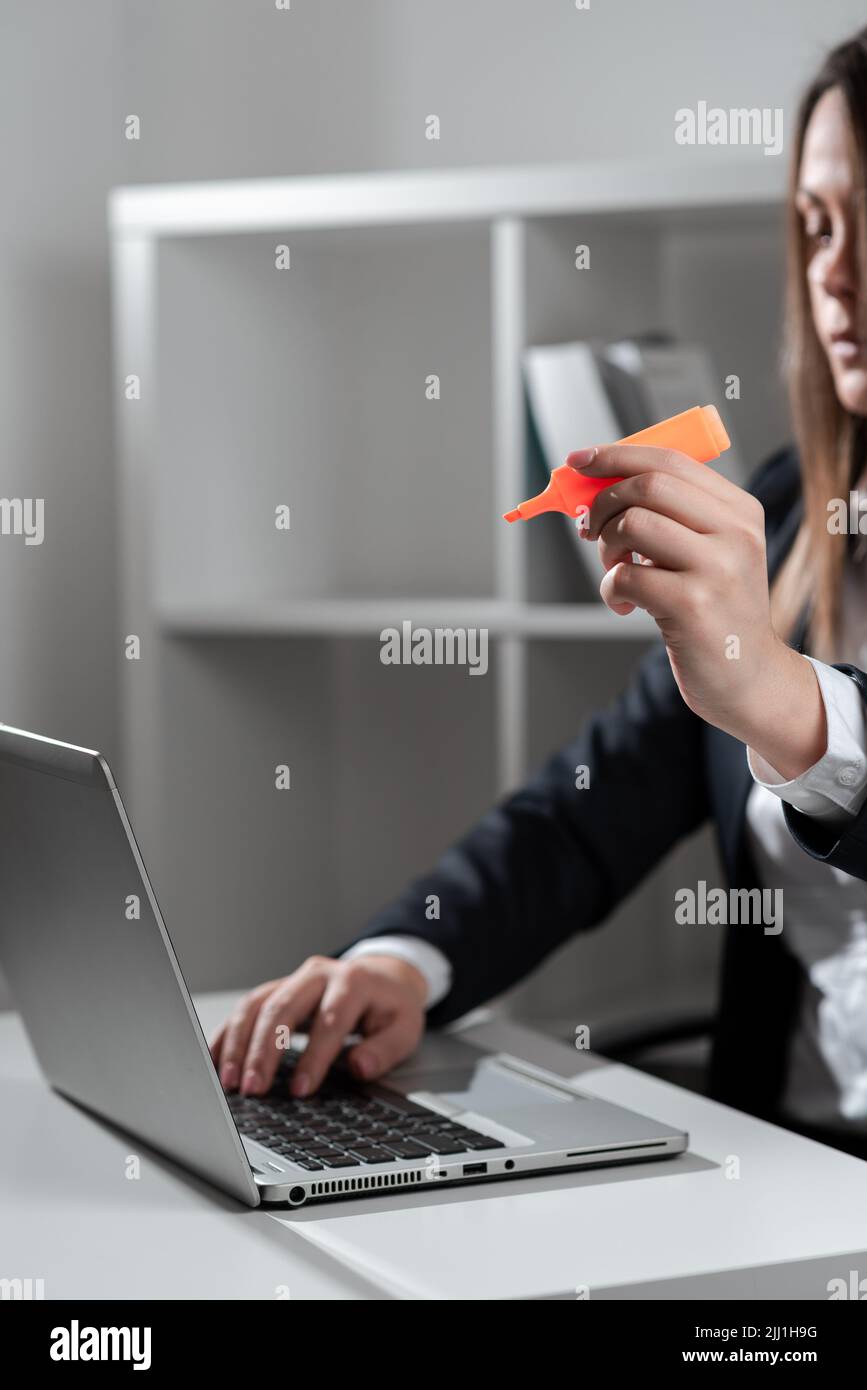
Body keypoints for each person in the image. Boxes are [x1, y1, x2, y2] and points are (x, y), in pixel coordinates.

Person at [211, 26, 867, 1158]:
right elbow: (580, 815)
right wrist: (400, 961)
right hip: (786, 1165)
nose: (834, 272)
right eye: (816, 226)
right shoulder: (785, 512)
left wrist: (786, 701)